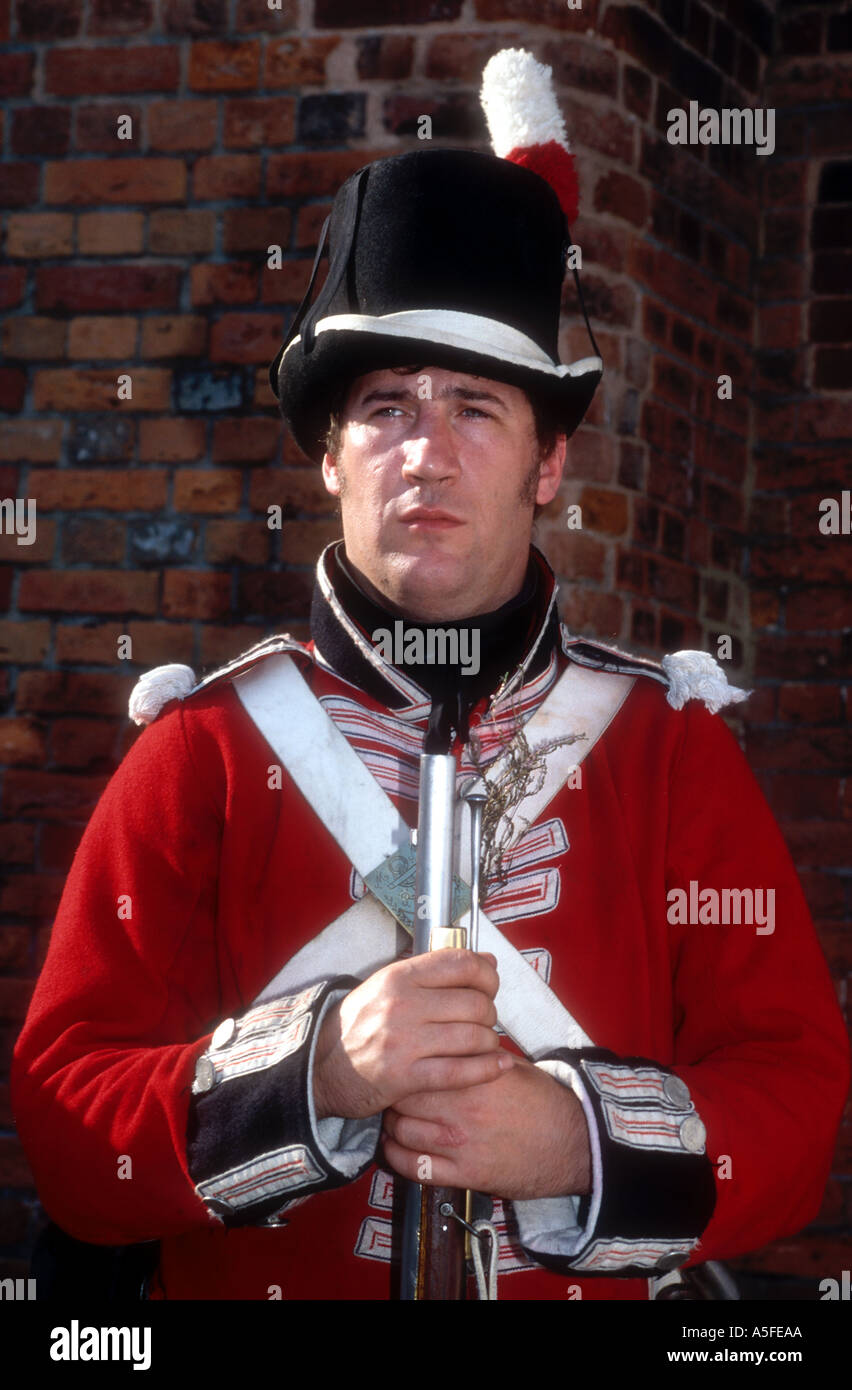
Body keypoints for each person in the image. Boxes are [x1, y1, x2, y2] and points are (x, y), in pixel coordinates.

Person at [11, 52, 849, 1302]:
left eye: (476, 407)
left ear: (548, 463)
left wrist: (570, 1139)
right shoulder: (204, 749)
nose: (427, 453)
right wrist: (321, 1075)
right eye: (388, 405)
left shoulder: (671, 752)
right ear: (332, 458)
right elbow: (71, 1127)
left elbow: (793, 1100)